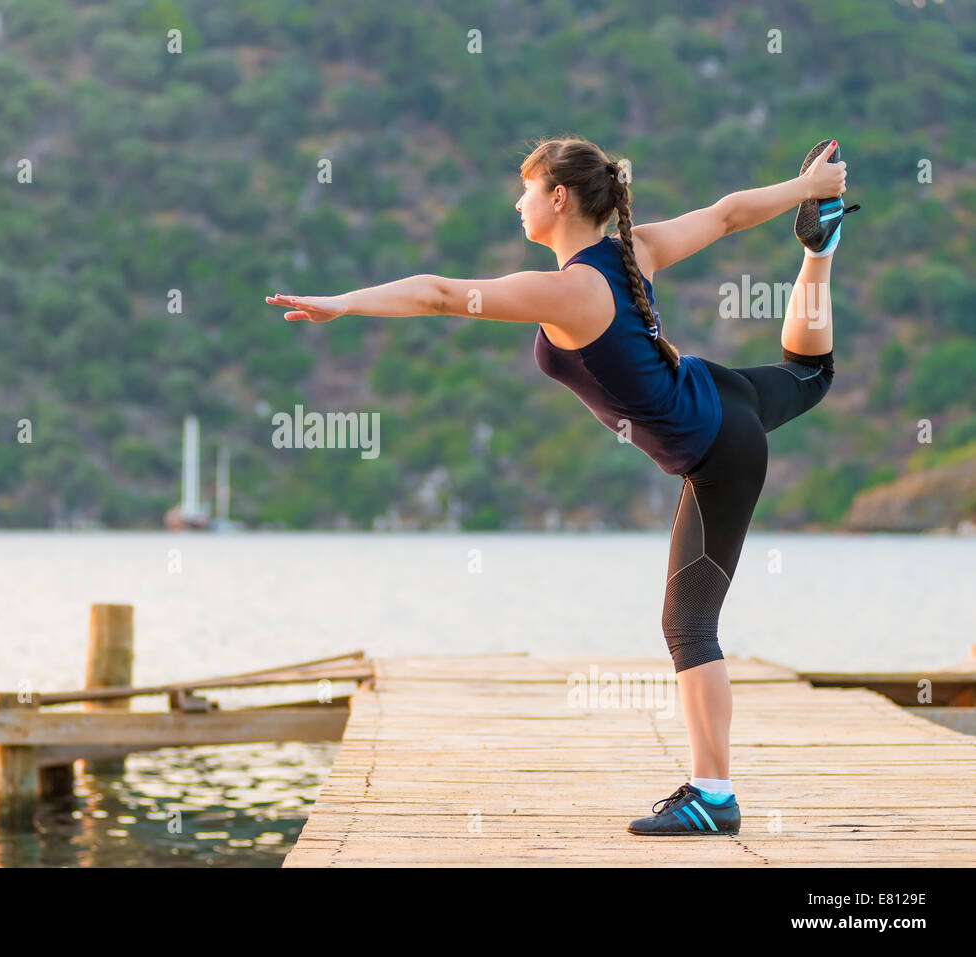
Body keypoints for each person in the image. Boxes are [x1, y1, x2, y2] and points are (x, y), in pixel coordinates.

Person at [265, 135, 858, 836]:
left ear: (557, 198)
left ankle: (714, 794)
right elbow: (725, 215)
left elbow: (440, 293)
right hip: (717, 397)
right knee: (811, 376)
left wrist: (340, 303)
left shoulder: (568, 290)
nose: (517, 202)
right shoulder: (629, 255)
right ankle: (818, 252)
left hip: (719, 448)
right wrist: (808, 191)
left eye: (526, 189)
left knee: (688, 625)